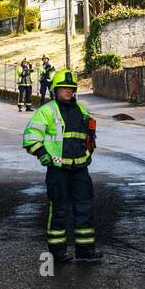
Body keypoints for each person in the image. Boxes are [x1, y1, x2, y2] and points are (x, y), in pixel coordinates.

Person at [21, 69, 101, 263]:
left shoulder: (81, 110)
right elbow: (30, 137)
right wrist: (42, 154)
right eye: (64, 88)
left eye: (71, 88)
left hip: (81, 169)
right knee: (59, 210)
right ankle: (57, 253)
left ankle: (85, 251)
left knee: (85, 209)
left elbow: (89, 136)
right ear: (55, 90)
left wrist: (89, 149)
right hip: (58, 171)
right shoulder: (47, 111)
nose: (68, 91)